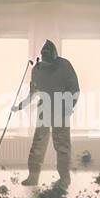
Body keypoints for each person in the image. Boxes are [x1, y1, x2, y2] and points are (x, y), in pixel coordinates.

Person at [14, 39, 79, 188]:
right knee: (38, 143)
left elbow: (74, 89)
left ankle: (64, 180)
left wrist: (68, 108)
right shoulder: (37, 69)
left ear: (55, 57)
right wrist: (20, 106)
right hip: (45, 109)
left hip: (61, 110)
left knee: (62, 146)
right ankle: (33, 177)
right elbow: (33, 92)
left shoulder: (64, 66)